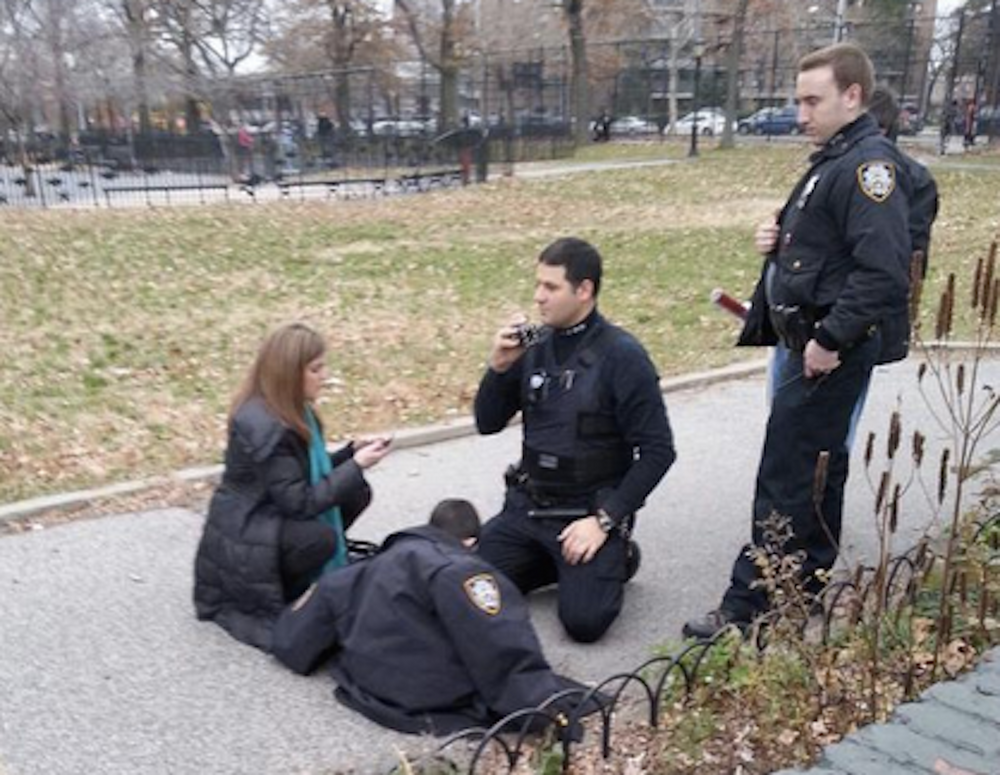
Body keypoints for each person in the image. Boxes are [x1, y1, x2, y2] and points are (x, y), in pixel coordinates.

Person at [683, 43, 913, 639]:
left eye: (813, 100)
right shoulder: (835, 158)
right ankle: (800, 586)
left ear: (852, 96)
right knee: (816, 467)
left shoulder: (869, 167)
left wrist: (830, 341)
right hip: (809, 345)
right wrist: (779, 239)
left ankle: (751, 603)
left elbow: (882, 271)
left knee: (786, 472)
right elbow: (832, 249)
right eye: (798, 100)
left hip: (823, 352)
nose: (800, 112)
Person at [474, 237, 676, 643]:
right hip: (528, 508)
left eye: (551, 288)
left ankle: (614, 555)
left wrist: (605, 521)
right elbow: (487, 422)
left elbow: (658, 451)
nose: (538, 298)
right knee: (469, 589)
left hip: (586, 514)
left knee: (584, 623)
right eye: (537, 285)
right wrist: (497, 368)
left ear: (584, 290)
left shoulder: (623, 355)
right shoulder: (532, 343)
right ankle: (561, 565)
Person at [271, 499, 594, 735]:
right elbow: (499, 643)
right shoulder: (461, 571)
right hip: (421, 696)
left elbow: (305, 622)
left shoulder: (378, 562)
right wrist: (549, 713)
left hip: (368, 681)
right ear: (470, 543)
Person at [193, 322, 392, 651]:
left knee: (356, 490)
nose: (324, 376)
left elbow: (299, 471)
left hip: (268, 512)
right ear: (289, 373)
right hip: (246, 530)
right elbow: (298, 501)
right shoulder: (268, 426)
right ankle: (290, 590)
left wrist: (350, 453)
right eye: (316, 369)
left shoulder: (289, 410)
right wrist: (356, 465)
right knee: (321, 538)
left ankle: (302, 571)